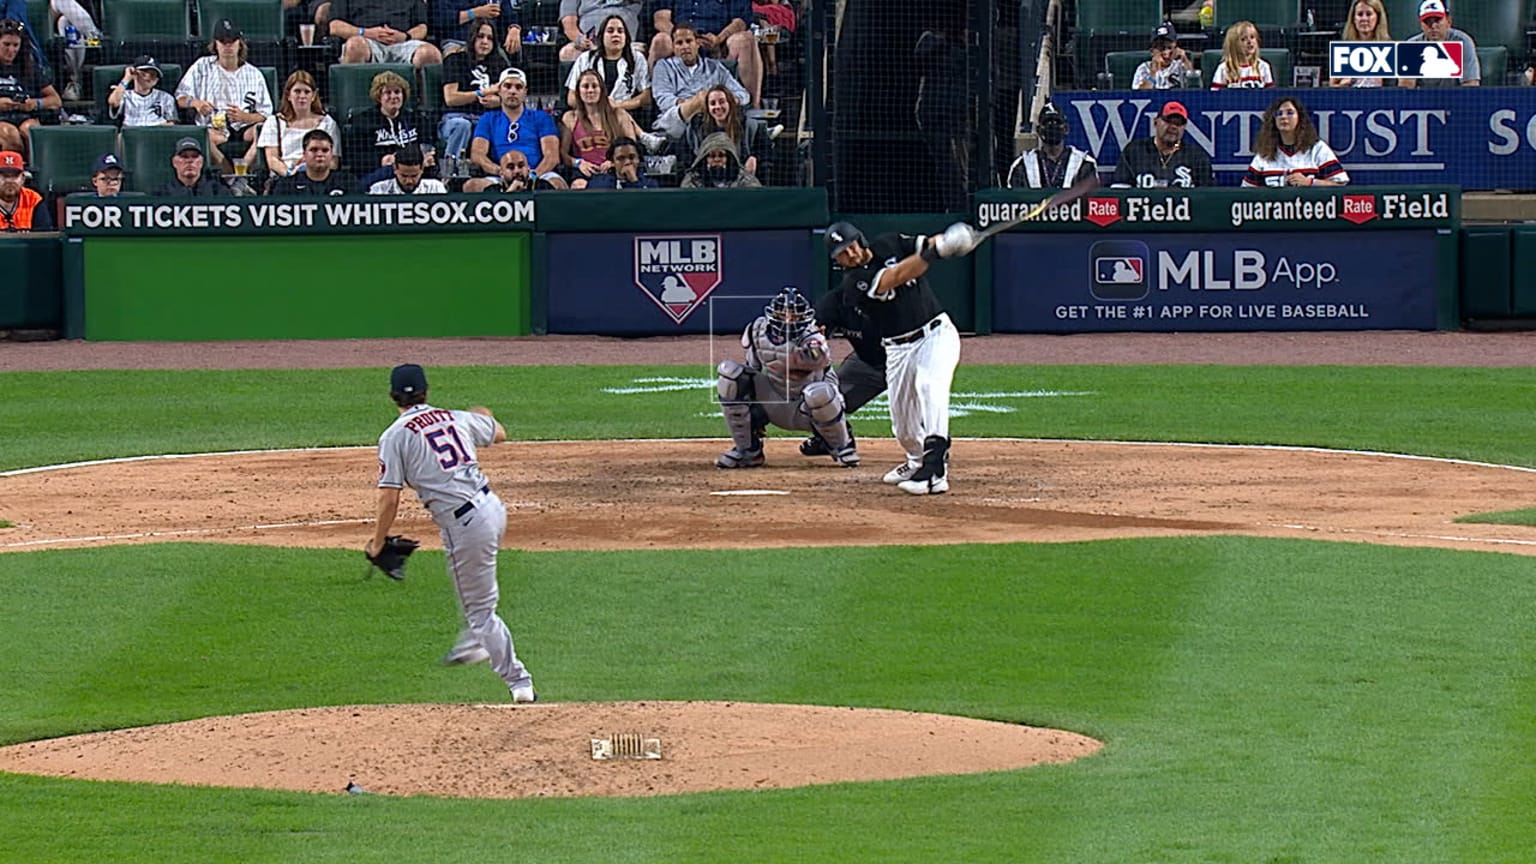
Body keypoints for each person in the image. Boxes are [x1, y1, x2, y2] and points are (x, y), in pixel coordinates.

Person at [369, 363, 537, 704]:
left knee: (481, 613)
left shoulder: (394, 436)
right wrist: (481, 414)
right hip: (491, 508)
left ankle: (519, 683)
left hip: (467, 525)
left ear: (392, 397)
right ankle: (475, 642)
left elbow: (389, 496)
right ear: (426, 392)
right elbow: (499, 432)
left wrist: (376, 543)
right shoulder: (455, 417)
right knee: (471, 587)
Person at [825, 219, 977, 495]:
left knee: (930, 387)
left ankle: (934, 470)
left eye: (851, 246)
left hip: (935, 334)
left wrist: (948, 240)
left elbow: (924, 245)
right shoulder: (854, 284)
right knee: (903, 427)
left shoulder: (889, 242)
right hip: (896, 348)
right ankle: (917, 460)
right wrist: (936, 252)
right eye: (842, 254)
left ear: (860, 239)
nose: (851, 254)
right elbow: (896, 276)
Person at [713, 286, 860, 470]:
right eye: (784, 314)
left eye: (795, 315)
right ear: (773, 314)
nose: (789, 319)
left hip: (808, 408)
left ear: (805, 317)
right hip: (774, 400)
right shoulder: (757, 330)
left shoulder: (813, 339)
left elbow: (820, 366)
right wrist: (752, 407)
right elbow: (752, 369)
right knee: (729, 373)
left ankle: (841, 447)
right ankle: (748, 450)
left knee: (818, 393)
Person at [797, 284, 887, 462]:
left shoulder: (892, 299)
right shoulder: (837, 300)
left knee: (914, 406)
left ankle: (932, 447)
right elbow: (812, 333)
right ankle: (834, 440)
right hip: (866, 362)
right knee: (822, 399)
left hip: (907, 360)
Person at [175, 20, 274, 170]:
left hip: (244, 127)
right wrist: (196, 103)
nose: (228, 46)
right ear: (215, 44)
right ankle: (230, 175)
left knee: (266, 129)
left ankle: (242, 174)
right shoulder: (201, 66)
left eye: (232, 41)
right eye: (223, 41)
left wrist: (246, 117)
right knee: (202, 136)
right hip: (212, 127)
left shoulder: (254, 74)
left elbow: (266, 113)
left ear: (240, 43)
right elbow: (180, 98)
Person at [466, 68, 565, 190]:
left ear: (525, 92)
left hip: (537, 174)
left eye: (518, 87)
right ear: (499, 91)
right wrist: (501, 172)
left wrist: (532, 176)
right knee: (471, 186)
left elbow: (552, 157)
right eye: (507, 86)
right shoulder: (488, 119)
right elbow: (477, 155)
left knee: (557, 184)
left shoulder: (541, 117)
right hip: (499, 176)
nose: (513, 91)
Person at [650, 1, 761, 109]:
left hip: (719, 45)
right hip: (681, 45)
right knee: (661, 40)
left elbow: (740, 21)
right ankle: (657, 105)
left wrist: (719, 38)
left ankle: (752, 107)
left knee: (745, 39)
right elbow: (660, 19)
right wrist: (683, 38)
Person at [651, 22, 750, 140]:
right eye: (679, 43)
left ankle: (756, 132)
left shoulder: (715, 67)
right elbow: (663, 98)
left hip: (712, 114)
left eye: (689, 41)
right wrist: (691, 103)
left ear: (697, 44)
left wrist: (727, 100)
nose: (685, 46)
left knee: (716, 101)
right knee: (703, 97)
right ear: (673, 47)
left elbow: (743, 94)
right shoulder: (663, 66)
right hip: (678, 116)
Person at [344, 70, 430, 188]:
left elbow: (428, 144)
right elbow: (354, 158)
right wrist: (381, 160)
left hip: (412, 173)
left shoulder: (416, 119)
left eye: (397, 92)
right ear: (379, 97)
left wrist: (426, 156)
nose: (393, 97)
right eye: (388, 93)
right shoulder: (363, 121)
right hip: (377, 173)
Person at [561, 68, 645, 188]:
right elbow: (563, 154)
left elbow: (632, 148)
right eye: (585, 86)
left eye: (594, 86)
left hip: (615, 168)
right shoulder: (570, 118)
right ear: (578, 91)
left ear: (601, 90)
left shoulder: (619, 114)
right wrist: (578, 163)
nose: (590, 90)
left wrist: (613, 163)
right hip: (585, 171)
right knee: (578, 185)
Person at [1243, 97, 1349, 188]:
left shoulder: (1317, 148)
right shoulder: (1265, 153)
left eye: (1290, 112)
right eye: (1279, 114)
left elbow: (1339, 184)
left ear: (1300, 118)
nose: (1284, 117)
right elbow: (1246, 191)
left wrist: (1310, 182)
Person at [438, 18, 506, 159]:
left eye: (490, 38)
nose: (485, 42)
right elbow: (451, 98)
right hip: (456, 117)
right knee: (462, 125)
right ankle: (452, 171)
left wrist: (499, 101)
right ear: (472, 38)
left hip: (486, 117)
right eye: (480, 36)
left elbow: (512, 96)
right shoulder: (455, 60)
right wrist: (482, 93)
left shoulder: (500, 64)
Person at [1111, 100, 1214, 189]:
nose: (1173, 127)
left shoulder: (1196, 156)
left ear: (1184, 127)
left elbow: (1206, 195)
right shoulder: (1135, 150)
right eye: (1168, 121)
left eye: (1178, 123)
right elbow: (1120, 189)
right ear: (1156, 122)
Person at [258, 70, 342, 178]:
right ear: (288, 95)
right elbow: (272, 160)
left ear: (313, 96)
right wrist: (291, 174)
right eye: (297, 91)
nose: (302, 96)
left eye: (307, 92)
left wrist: (310, 167)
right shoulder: (274, 122)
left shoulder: (328, 123)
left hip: (318, 177)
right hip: (286, 178)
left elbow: (334, 162)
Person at [564, 14, 651, 115]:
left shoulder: (637, 58)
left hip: (623, 114)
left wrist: (619, 106)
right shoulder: (585, 59)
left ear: (626, 37)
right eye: (610, 31)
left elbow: (646, 96)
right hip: (591, 113)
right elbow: (571, 98)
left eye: (620, 31)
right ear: (601, 37)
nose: (615, 34)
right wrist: (595, 107)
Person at [0, 19, 61, 159]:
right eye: (6, 44)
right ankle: (11, 174)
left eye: (16, 45)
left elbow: (55, 100)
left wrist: (34, 103)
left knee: (30, 131)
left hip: (24, 116)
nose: (11, 50)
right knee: (9, 134)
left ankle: (36, 173)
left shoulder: (28, 66)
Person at [683, 84, 769, 178]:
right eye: (712, 103)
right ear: (707, 108)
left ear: (730, 103)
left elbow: (766, 153)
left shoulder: (749, 126)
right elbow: (685, 157)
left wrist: (754, 157)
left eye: (722, 102)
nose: (718, 107)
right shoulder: (696, 128)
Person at [1006, 101, 1097, 189]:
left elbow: (1091, 198)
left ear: (1066, 129)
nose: (1053, 126)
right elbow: (1014, 199)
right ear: (1039, 130)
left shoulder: (1084, 163)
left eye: (1057, 122)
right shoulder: (1022, 164)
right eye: (1047, 123)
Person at [330, 0, 443, 68]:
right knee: (355, 46)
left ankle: (425, 107)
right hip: (367, 43)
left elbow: (422, 27)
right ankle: (353, 105)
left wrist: (405, 36)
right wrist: (365, 33)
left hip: (403, 43)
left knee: (430, 53)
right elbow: (335, 26)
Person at [1400, 0, 1479, 88]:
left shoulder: (1463, 42)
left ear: (1448, 21)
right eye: (1427, 22)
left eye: (1437, 20)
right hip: (1423, 99)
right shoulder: (1411, 45)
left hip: (1455, 98)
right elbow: (1406, 89)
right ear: (1421, 25)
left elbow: (1470, 85)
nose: (1433, 26)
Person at [268, 128, 354, 195]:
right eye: (314, 150)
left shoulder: (348, 182)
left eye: (325, 150)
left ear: (331, 154)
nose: (320, 154)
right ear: (304, 154)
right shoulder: (286, 185)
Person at [1330, 0, 1393, 87]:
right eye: (1360, 14)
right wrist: (1345, 83)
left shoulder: (1388, 47)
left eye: (1369, 14)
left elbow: (1392, 87)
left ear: (1378, 17)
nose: (1364, 19)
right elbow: (1332, 86)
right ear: (1353, 19)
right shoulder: (1344, 48)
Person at [557, 0, 643, 62]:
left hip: (628, 44)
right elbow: (568, 23)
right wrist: (580, 40)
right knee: (567, 53)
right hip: (590, 44)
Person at [50, 0, 101, 101]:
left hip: (69, 19)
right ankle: (94, 36)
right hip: (50, 13)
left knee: (65, 22)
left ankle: (74, 80)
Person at [107, 56, 177, 127]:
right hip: (131, 133)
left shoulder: (166, 97)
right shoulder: (125, 95)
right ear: (135, 73)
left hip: (157, 134)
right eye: (144, 73)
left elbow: (172, 124)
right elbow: (113, 102)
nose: (149, 77)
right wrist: (127, 78)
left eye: (153, 75)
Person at [433, 0, 520, 56]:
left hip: (489, 44)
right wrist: (474, 13)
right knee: (454, 61)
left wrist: (514, 29)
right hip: (457, 43)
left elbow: (511, 16)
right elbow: (440, 20)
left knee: (503, 66)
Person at [679, 131, 759, 188]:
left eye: (721, 155)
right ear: (705, 158)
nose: (717, 159)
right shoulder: (692, 180)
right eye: (712, 156)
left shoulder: (744, 178)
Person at [156, 136, 232, 197]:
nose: (190, 161)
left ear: (201, 162)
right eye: (184, 156)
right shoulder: (162, 193)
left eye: (194, 156)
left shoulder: (217, 191)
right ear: (174, 162)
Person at [1209, 20, 1273, 89]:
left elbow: (1270, 95)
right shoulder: (1223, 69)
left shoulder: (1263, 66)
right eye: (1243, 39)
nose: (1249, 42)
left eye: (1252, 37)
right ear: (1233, 45)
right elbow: (1215, 96)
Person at [467, 146, 560, 191]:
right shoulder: (492, 191)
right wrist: (510, 194)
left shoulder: (544, 187)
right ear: (501, 173)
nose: (517, 171)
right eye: (510, 167)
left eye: (521, 166)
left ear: (528, 169)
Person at [0, 148, 51, 229]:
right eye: (4, 176)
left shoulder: (33, 200)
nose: (9, 181)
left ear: (23, 179)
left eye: (15, 175)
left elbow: (44, 238)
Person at [368, 141, 446, 193]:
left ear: (422, 169)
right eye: (404, 176)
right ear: (395, 169)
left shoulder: (435, 188)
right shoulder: (379, 190)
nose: (409, 181)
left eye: (414, 176)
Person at [582, 135, 656, 188]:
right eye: (621, 158)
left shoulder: (650, 184)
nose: (627, 162)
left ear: (638, 159)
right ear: (612, 162)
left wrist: (634, 181)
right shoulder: (598, 185)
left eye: (631, 157)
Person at [1134, 21, 1191, 90]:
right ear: (1152, 51)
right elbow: (1139, 96)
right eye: (1161, 48)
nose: (1166, 53)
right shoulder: (1143, 68)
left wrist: (1185, 60)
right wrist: (1153, 73)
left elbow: (1197, 87)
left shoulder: (1180, 65)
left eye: (1170, 48)